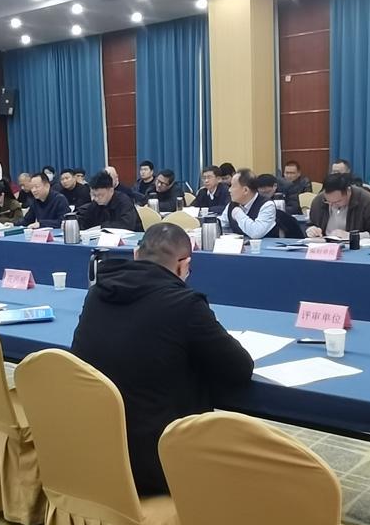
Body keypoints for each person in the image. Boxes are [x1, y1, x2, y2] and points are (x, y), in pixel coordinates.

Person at [71, 223, 253, 495]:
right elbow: (239, 369)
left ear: (136, 254)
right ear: (184, 265)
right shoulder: (185, 304)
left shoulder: (98, 293)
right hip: (158, 462)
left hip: (95, 450)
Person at [307, 173, 370, 240]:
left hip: (356, 249)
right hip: (324, 246)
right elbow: (311, 224)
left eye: (337, 201)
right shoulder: (319, 200)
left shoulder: (368, 203)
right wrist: (311, 230)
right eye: (328, 202)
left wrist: (351, 236)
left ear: (348, 191)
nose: (332, 205)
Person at [219, 169, 278, 238]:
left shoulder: (267, 205)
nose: (229, 190)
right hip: (240, 244)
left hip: (266, 244)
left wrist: (238, 213)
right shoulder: (231, 205)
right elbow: (220, 224)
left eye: (233, 186)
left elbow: (256, 233)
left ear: (245, 190)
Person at [76, 171, 141, 231]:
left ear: (111, 190)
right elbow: (86, 223)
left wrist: (102, 226)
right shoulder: (95, 204)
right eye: (94, 195)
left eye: (100, 195)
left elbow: (126, 225)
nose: (96, 199)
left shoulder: (124, 201)